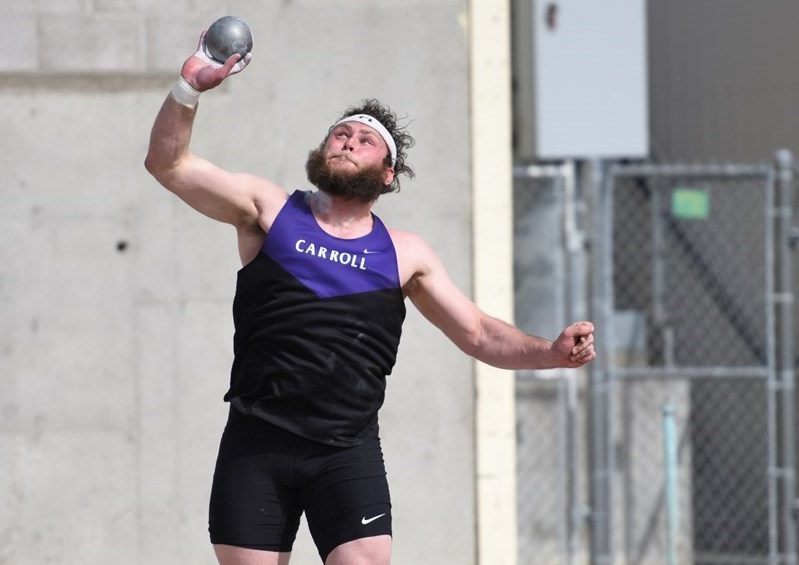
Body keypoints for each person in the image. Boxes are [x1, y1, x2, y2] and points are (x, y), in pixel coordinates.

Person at [144, 31, 597, 565]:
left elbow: (477, 333)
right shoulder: (268, 211)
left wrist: (550, 351)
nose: (348, 140)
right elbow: (168, 165)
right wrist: (188, 87)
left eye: (365, 139)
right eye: (341, 133)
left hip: (345, 449)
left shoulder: (405, 254)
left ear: (388, 175)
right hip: (257, 440)